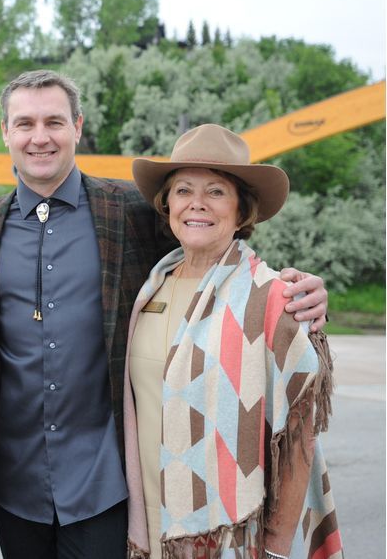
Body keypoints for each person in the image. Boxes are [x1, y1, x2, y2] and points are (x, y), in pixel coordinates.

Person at [0, 70, 328, 558]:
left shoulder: (132, 213)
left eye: (54, 121)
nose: (40, 137)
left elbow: (217, 249)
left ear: (77, 126)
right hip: (16, 487)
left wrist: (302, 288)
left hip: (108, 485)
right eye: (24, 123)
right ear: (6, 133)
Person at [124, 123, 341, 559]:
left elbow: (297, 435)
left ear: (243, 211)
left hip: (230, 535)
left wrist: (277, 548)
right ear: (166, 206)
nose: (197, 204)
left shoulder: (273, 297)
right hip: (144, 524)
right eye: (183, 190)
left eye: (216, 192)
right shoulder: (150, 287)